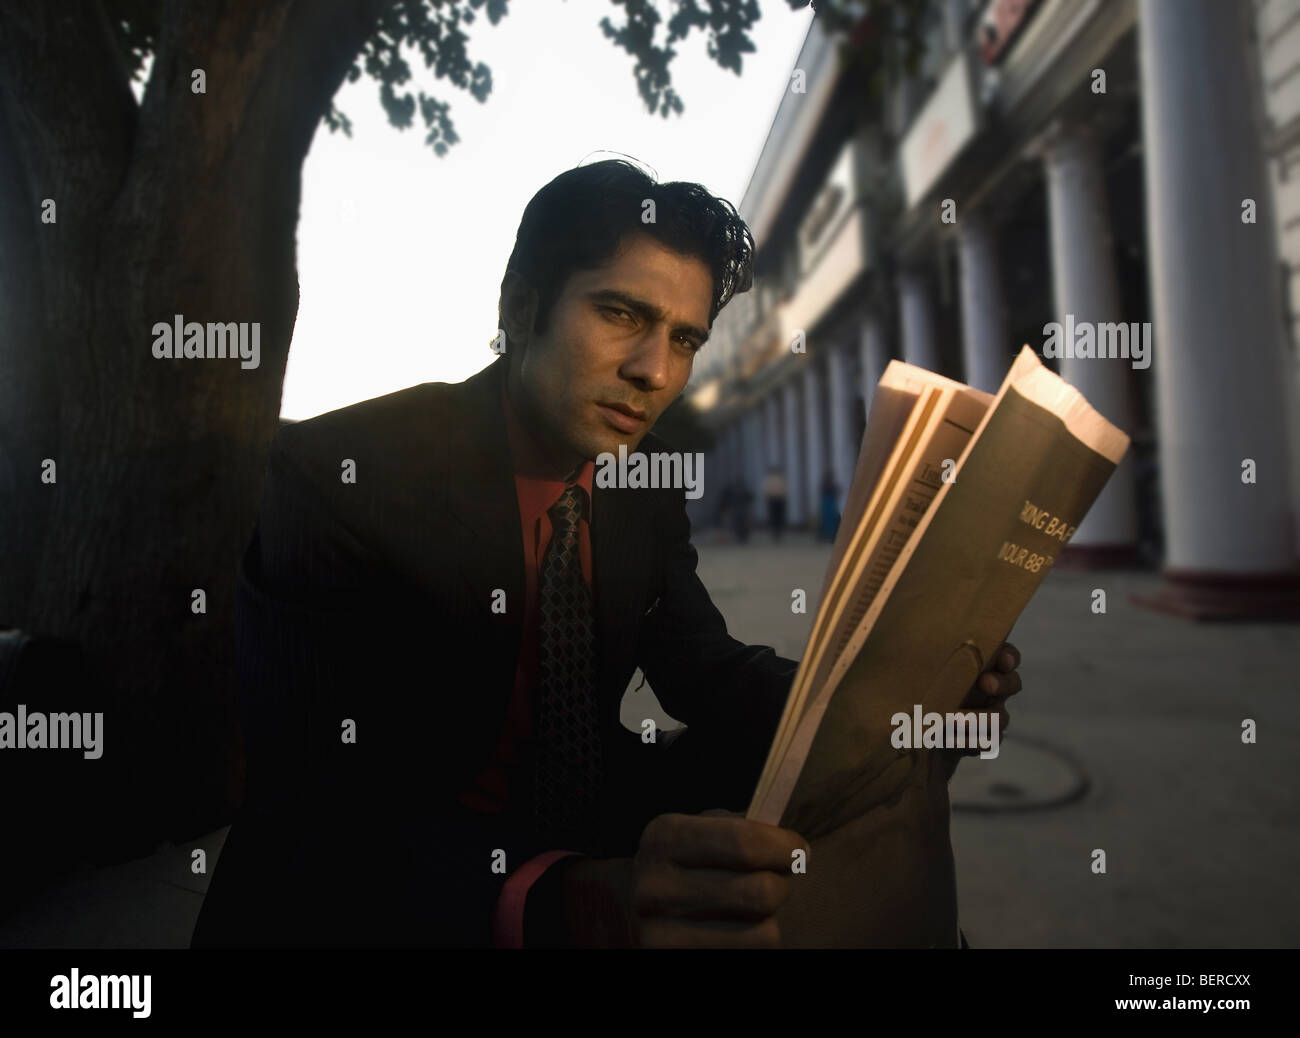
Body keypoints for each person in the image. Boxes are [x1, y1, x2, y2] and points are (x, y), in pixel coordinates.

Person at [190, 158, 1023, 949]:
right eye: (621, 313)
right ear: (521, 308)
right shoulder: (340, 478)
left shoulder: (641, 486)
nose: (654, 370)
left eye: (687, 339)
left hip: (593, 823)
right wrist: (572, 903)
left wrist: (881, 699)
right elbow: (309, 810)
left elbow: (703, 668)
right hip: (387, 897)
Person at [762, 466, 788, 542]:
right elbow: (784, 491)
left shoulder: (769, 480)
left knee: (776, 518)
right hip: (775, 500)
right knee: (776, 518)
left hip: (775, 500)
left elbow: (765, 491)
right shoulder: (779, 479)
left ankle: (777, 533)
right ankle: (776, 533)